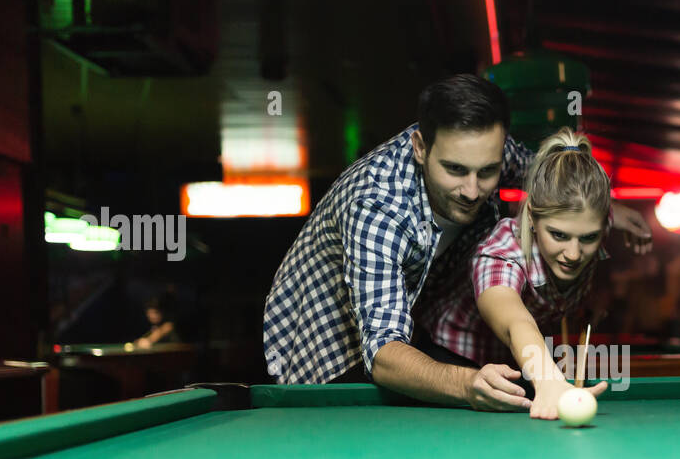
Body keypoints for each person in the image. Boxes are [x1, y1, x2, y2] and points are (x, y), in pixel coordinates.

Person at [262, 74, 652, 411]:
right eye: (454, 170)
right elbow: (382, 353)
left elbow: (557, 182)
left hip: (411, 326)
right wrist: (466, 384)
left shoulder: (493, 155)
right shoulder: (377, 206)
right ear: (420, 148)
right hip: (328, 343)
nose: (471, 190)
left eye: (487, 172)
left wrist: (608, 210)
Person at [418, 129, 612, 419]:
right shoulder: (502, 250)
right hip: (450, 361)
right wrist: (548, 379)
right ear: (532, 217)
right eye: (558, 235)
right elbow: (514, 321)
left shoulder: (590, 235)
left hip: (516, 366)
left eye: (588, 238)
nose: (573, 253)